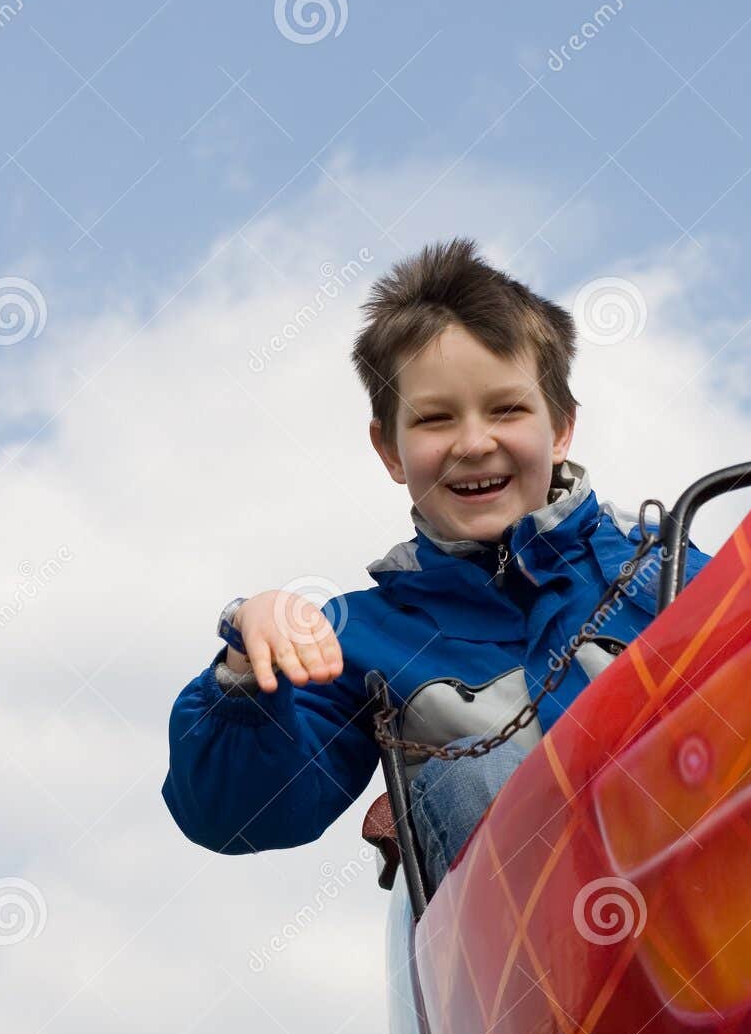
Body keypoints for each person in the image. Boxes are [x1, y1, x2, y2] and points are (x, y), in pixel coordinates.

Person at [162, 237, 709, 890]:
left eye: (506, 409)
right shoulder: (356, 639)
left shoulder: (670, 575)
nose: (474, 443)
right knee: (472, 772)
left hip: (724, 915)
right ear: (389, 450)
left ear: (560, 428)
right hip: (533, 971)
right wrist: (247, 676)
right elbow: (235, 817)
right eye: (434, 420)